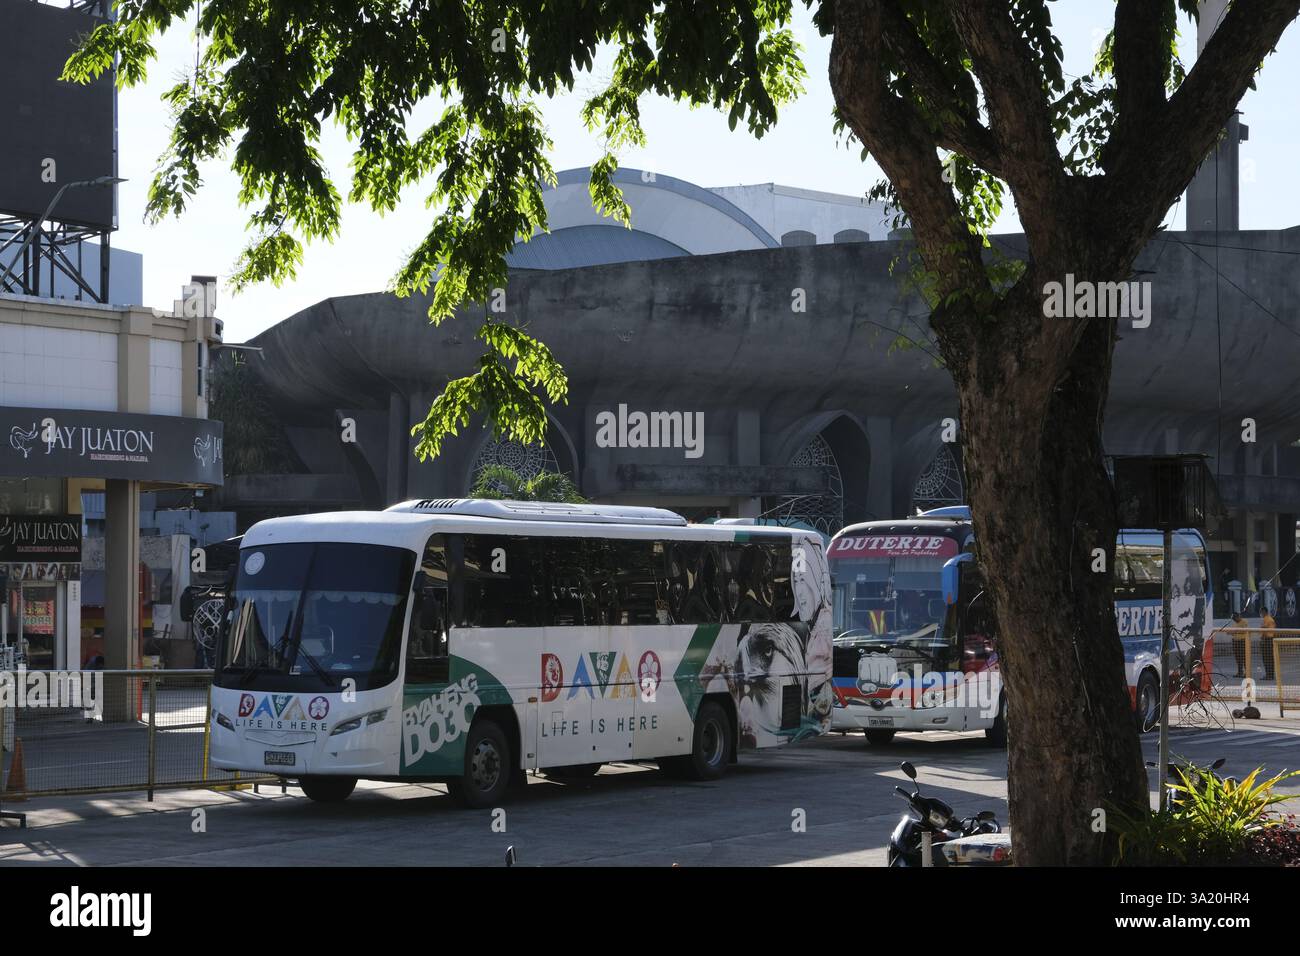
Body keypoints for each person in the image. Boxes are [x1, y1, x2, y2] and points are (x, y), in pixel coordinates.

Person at [1261, 607, 1277, 682]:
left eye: (1261, 612)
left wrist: (1262, 638)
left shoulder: (1268, 619)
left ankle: (1269, 675)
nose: (1261, 614)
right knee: (1268, 658)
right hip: (1268, 639)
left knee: (1267, 658)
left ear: (1264, 612)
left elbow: (1265, 630)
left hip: (1268, 640)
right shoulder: (1268, 619)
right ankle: (1269, 674)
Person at [1230, 613, 1248, 678]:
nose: (1234, 620)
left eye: (1235, 618)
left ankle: (1247, 673)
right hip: (1235, 641)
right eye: (1233, 619)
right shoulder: (1235, 623)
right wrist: (1231, 632)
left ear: (1238, 617)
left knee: (1244, 657)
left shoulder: (1244, 622)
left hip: (1242, 641)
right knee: (1238, 658)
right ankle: (1240, 672)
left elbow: (1244, 631)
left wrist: (1235, 632)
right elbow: (1234, 632)